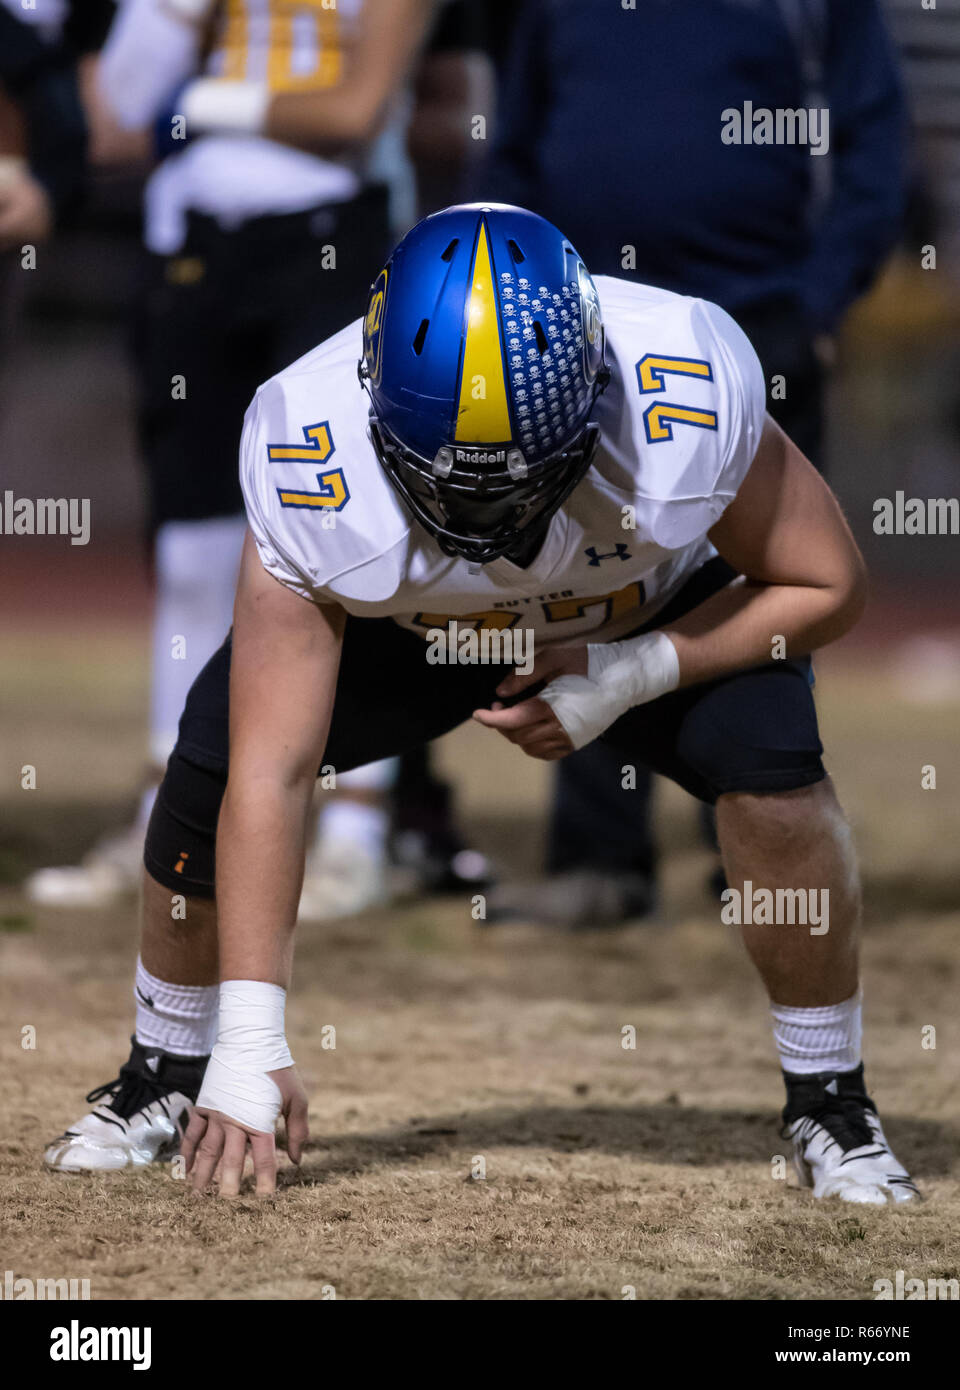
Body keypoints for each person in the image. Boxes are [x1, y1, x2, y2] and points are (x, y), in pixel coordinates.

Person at [44, 203, 918, 1207]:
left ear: (596, 396)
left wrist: (636, 670)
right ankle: (166, 1072)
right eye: (444, 491)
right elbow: (272, 773)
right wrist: (253, 1041)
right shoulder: (306, 445)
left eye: (515, 490)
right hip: (415, 626)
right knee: (208, 767)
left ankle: (830, 1099)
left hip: (637, 612)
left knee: (777, 774)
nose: (483, 529)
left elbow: (827, 586)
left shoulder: (687, 383)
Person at [480, 0, 908, 926]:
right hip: (578, 333)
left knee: (771, 585)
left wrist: (821, 307)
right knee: (578, 578)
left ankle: (756, 845)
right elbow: (512, 146)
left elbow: (874, 142)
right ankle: (597, 862)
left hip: (758, 328)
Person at [24, 0, 438, 917]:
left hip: (328, 242)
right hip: (197, 250)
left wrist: (201, 99)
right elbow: (114, 118)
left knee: (356, 535)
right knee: (194, 549)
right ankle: (163, 811)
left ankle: (359, 829)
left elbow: (349, 113)